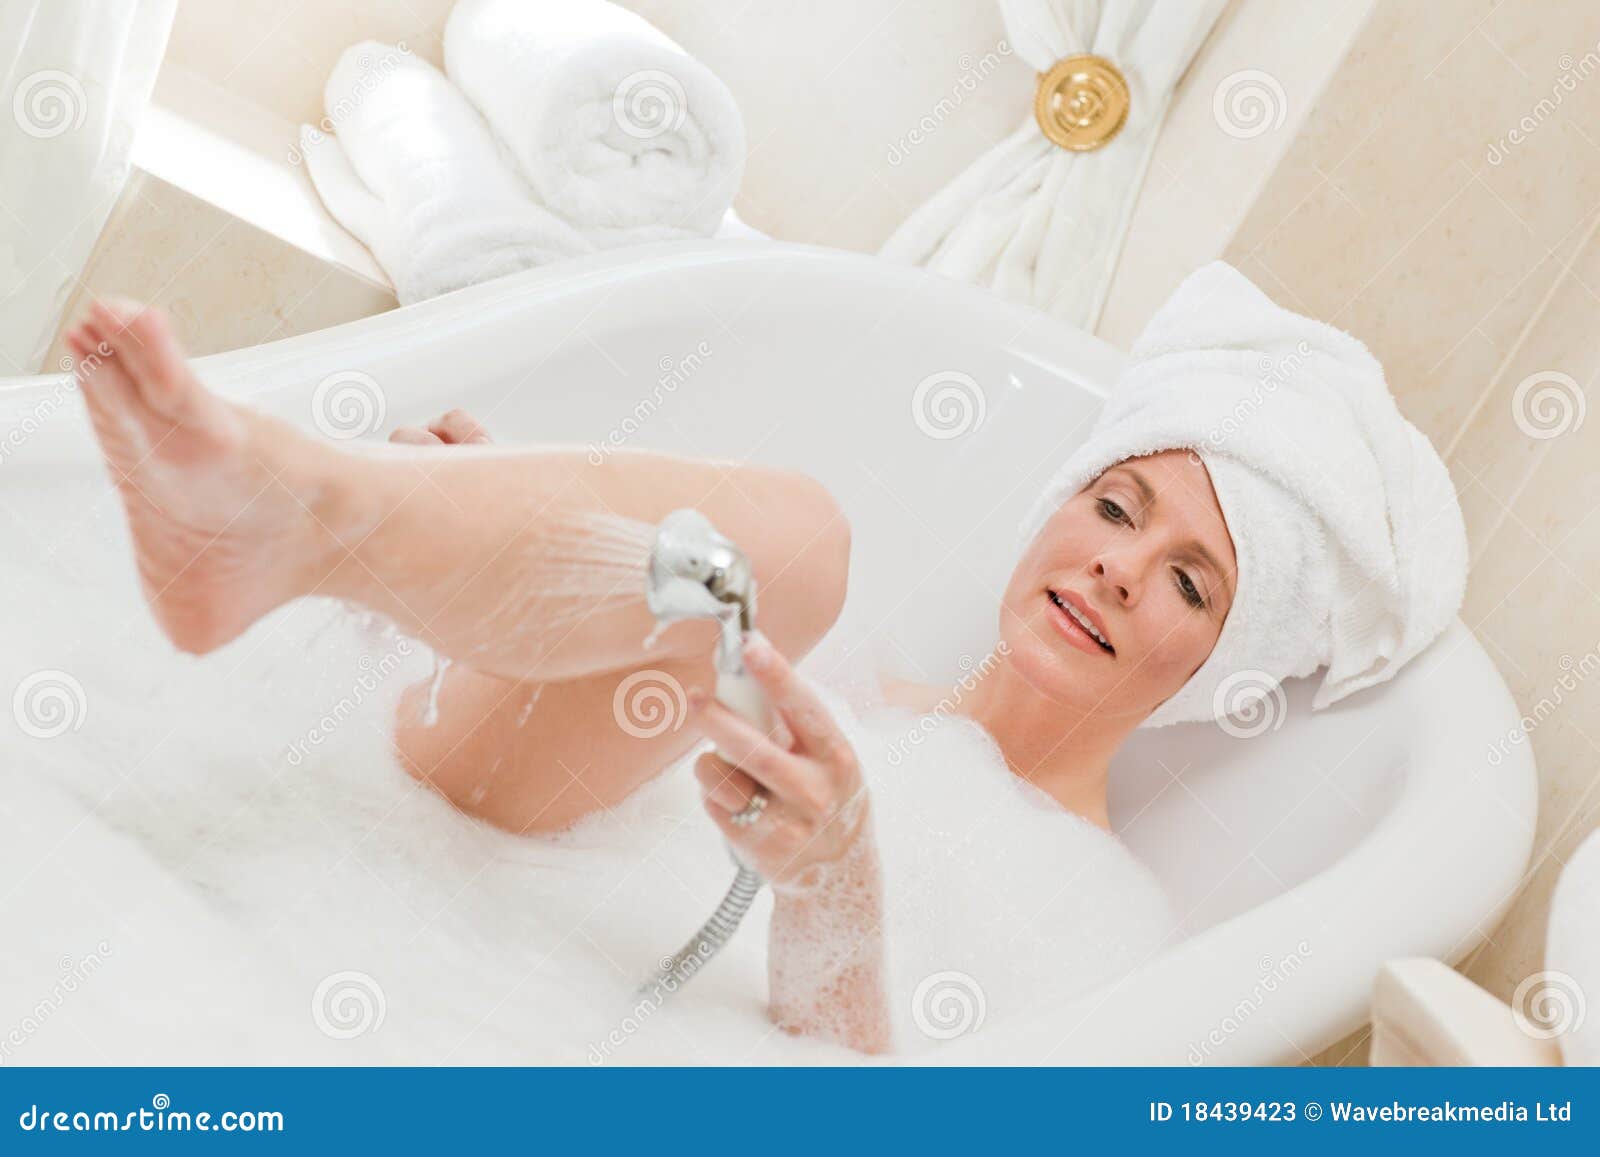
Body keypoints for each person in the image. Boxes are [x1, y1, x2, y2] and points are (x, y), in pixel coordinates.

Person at [63, 261, 1463, 1056]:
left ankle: (306, 519)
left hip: (508, 979)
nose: (1116, 566)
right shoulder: (853, 679)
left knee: (784, 553)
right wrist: (491, 571)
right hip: (413, 840)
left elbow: (880, 1101)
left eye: (1189, 581)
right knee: (772, 562)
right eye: (1114, 507)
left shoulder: (1099, 912)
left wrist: (833, 887)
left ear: (1218, 670)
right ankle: (347, 531)